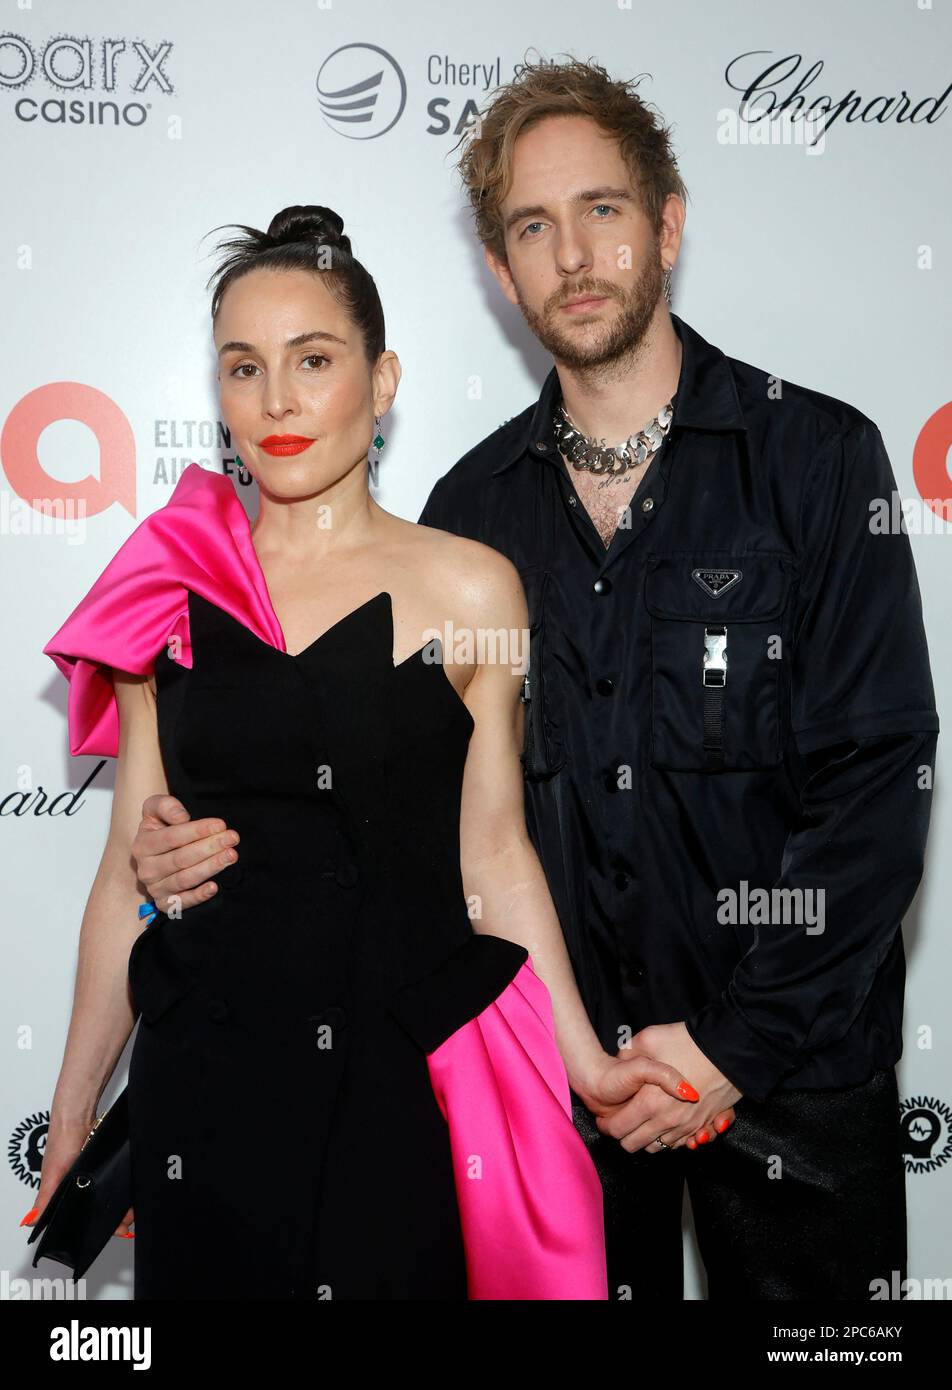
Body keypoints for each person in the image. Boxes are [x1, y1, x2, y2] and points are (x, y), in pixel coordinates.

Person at [129, 60, 939, 1302]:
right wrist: (183, 836)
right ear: (499, 272)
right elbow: (429, 830)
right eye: (531, 226)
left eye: (602, 209)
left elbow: (875, 787)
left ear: (666, 223)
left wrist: (732, 1046)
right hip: (554, 1086)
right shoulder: (469, 516)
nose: (572, 254)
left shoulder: (817, 461)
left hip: (796, 1080)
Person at [30, 203, 720, 1301]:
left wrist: (585, 1059)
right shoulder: (167, 584)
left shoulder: (473, 586)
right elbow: (127, 875)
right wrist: (72, 1112)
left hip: (396, 1073)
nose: (278, 401)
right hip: (205, 1076)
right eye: (244, 368)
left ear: (382, 379)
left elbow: (494, 856)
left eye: (313, 360)